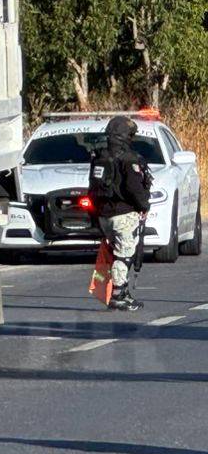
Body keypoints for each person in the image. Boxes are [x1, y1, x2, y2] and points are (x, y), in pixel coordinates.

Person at [89, 114, 151, 312]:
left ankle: (119, 292)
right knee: (124, 254)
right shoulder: (128, 159)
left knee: (118, 252)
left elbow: (92, 188)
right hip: (123, 213)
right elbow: (134, 188)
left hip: (104, 215)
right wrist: (144, 206)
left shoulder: (99, 157)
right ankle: (118, 294)